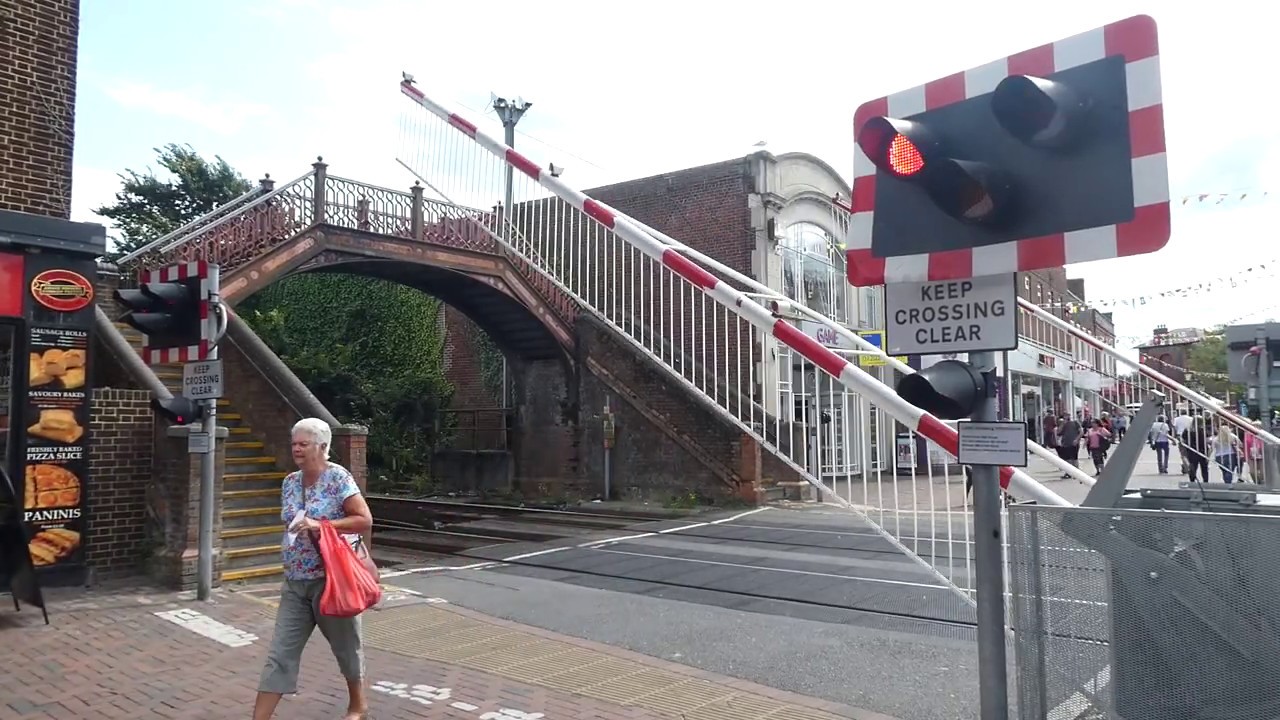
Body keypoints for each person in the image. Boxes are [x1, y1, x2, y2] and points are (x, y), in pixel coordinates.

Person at [253, 418, 374, 720]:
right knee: (279, 654)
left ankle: (358, 705)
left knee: (346, 648)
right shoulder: (290, 482)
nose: (296, 448)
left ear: (322, 447)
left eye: (303, 443)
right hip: (295, 582)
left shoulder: (338, 478)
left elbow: (363, 519)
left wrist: (321, 525)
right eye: (294, 443)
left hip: (331, 580)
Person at [1057, 413, 1083, 479]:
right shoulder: (1063, 424)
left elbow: (1081, 432)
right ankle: (1068, 473)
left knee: (1074, 458)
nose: (1066, 417)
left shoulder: (1075, 423)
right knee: (1067, 459)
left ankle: (1077, 473)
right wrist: (1062, 424)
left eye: (1067, 416)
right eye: (1065, 416)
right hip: (1065, 443)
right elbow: (1058, 432)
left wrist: (1077, 439)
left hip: (1074, 443)